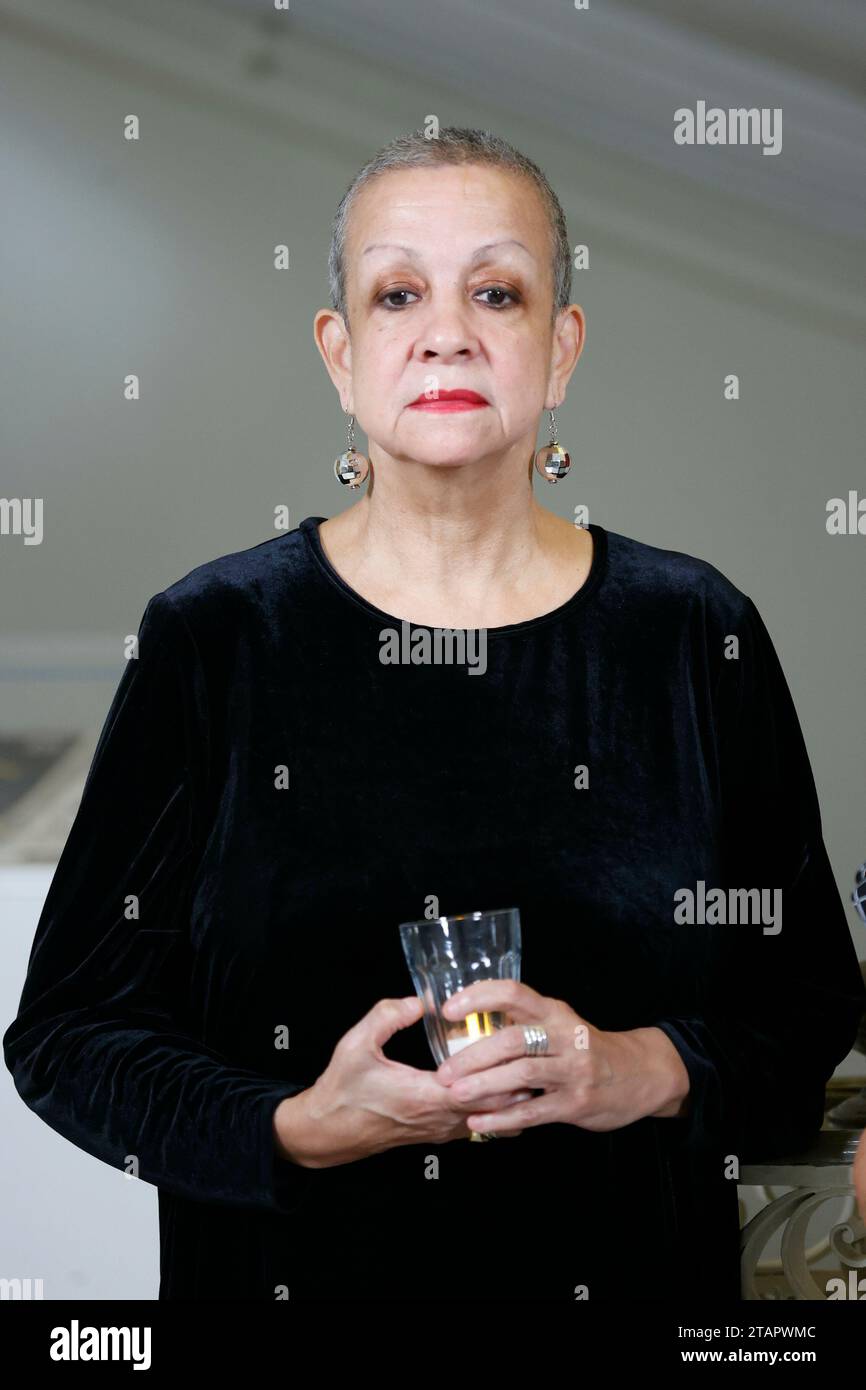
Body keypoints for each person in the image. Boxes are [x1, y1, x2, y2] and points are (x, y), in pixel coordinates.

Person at [4, 127, 864, 1302]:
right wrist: (296, 1125)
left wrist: (637, 1067)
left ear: (558, 349)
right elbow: (66, 1036)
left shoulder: (687, 633)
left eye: (496, 292)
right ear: (340, 354)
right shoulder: (215, 638)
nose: (445, 330)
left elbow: (805, 999)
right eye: (396, 290)